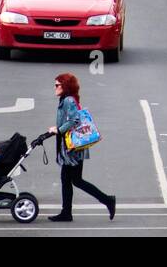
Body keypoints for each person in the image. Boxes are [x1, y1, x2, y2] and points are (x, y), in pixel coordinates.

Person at [47, 73, 116, 222]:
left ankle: (106, 200)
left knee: (72, 179)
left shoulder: (68, 100)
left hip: (73, 148)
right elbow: (70, 120)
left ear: (65, 86)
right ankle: (68, 212)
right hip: (73, 146)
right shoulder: (67, 99)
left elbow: (74, 120)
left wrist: (58, 130)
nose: (55, 87)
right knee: (73, 179)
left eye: (57, 85)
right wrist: (58, 127)